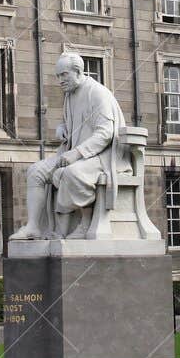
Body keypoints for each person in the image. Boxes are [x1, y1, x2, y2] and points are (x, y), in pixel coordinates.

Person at [11, 52, 125, 241]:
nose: (60, 80)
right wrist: (62, 128)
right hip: (74, 153)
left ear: (78, 72)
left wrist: (77, 153)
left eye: (64, 75)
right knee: (35, 171)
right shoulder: (70, 95)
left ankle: (85, 223)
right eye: (58, 76)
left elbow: (105, 133)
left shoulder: (97, 93)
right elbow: (70, 123)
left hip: (102, 156)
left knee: (72, 173)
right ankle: (33, 226)